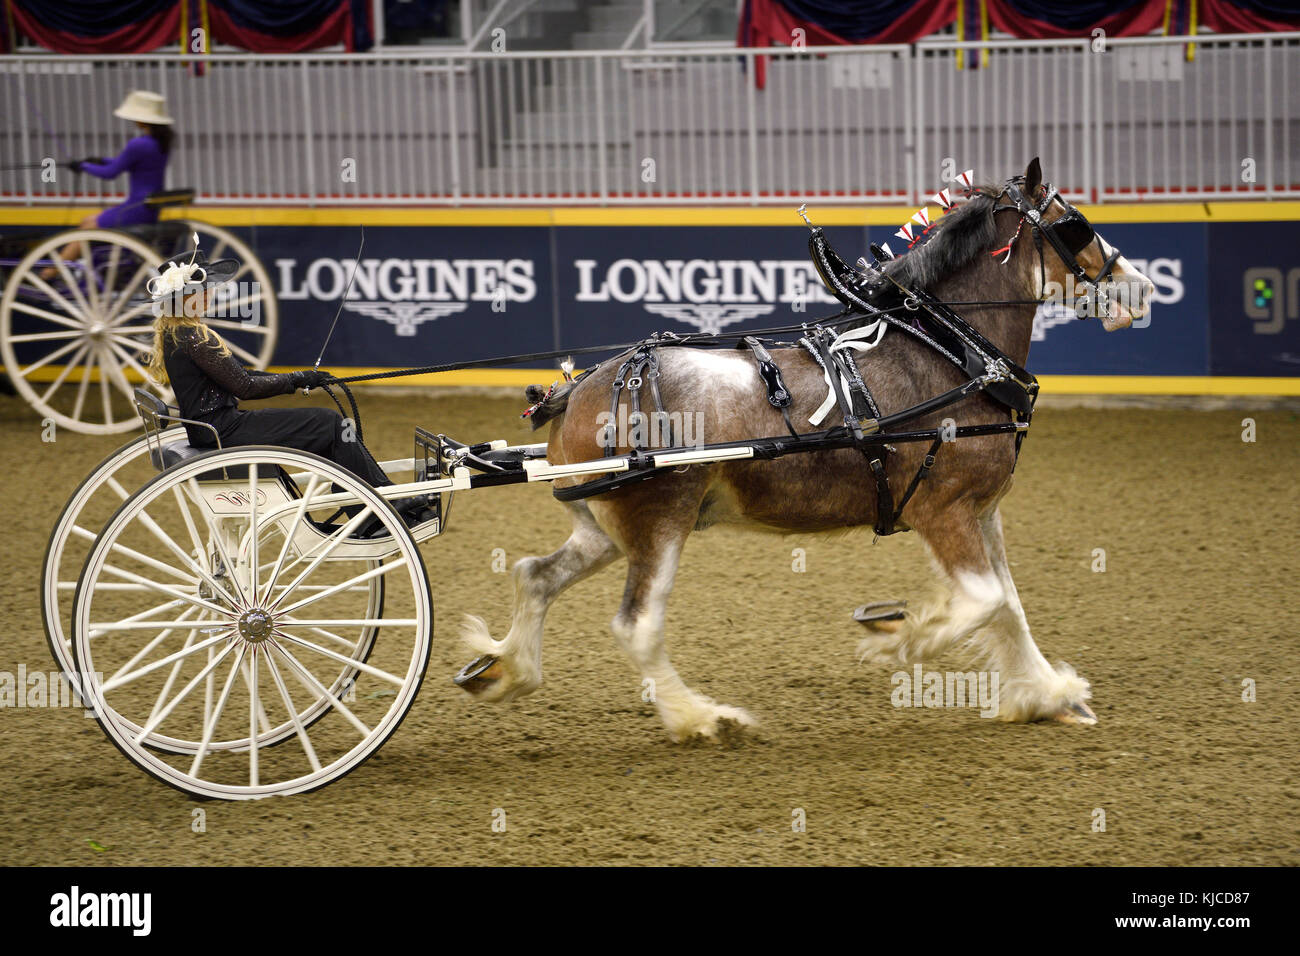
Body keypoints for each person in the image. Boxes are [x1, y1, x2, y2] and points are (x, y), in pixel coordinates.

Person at [145, 247, 434, 529]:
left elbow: (235, 375)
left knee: (328, 425)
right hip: (224, 430)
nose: (210, 294)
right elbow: (244, 386)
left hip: (214, 427)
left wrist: (297, 377)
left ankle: (367, 503)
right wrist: (296, 379)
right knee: (330, 423)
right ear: (188, 296)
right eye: (204, 290)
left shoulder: (176, 333)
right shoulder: (195, 337)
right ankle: (379, 502)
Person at [43, 90, 174, 278]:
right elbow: (125, 163)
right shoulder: (159, 143)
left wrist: (84, 166)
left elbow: (110, 173)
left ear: (141, 119)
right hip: (146, 208)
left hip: (134, 209)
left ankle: (50, 273)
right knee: (87, 221)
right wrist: (100, 160)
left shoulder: (138, 144)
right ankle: (76, 269)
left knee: (85, 232)